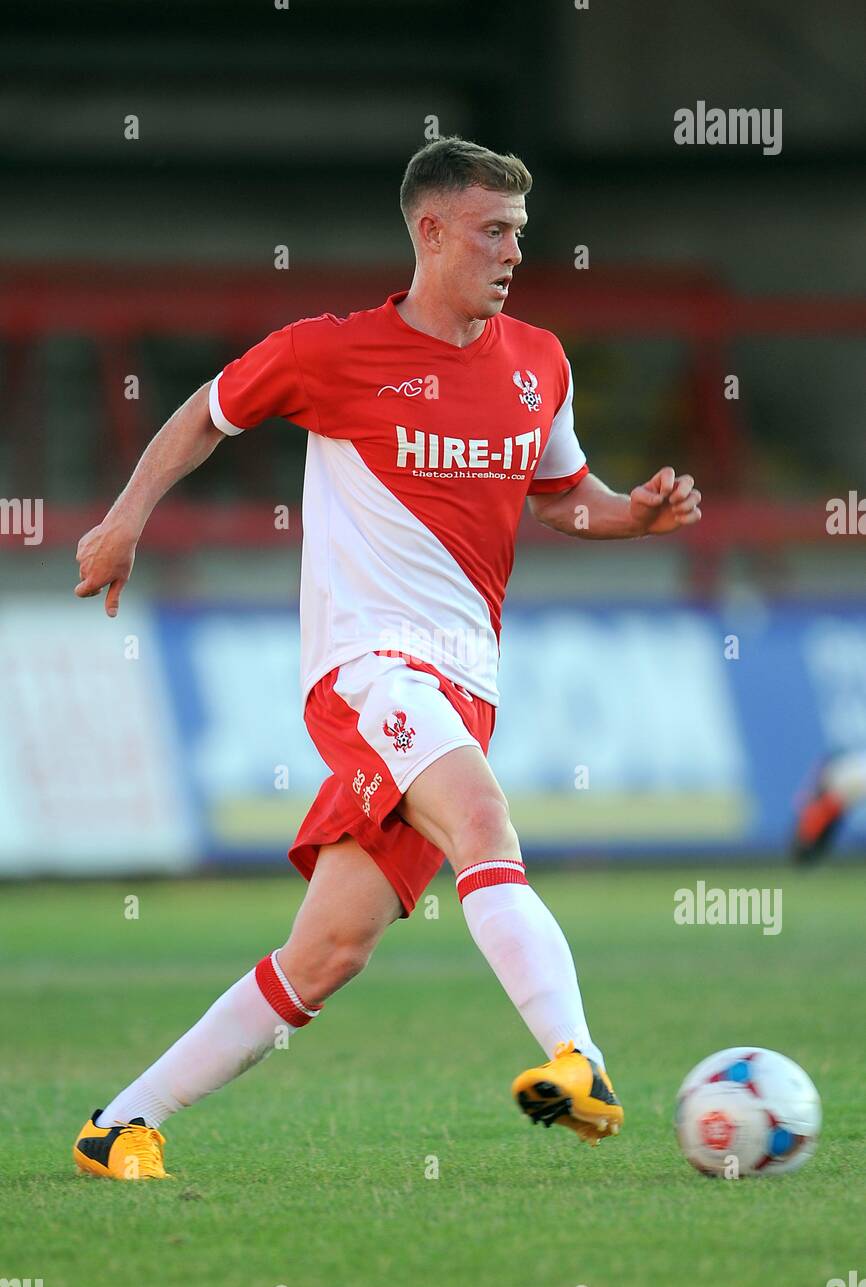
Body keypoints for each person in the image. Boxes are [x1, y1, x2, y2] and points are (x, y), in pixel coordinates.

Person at [71, 137, 701, 1179]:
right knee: (485, 820)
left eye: (518, 235)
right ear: (431, 231)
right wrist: (125, 519)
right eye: (493, 232)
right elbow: (203, 414)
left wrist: (630, 516)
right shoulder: (331, 353)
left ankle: (117, 1126)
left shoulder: (539, 361)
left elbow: (562, 498)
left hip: (466, 682)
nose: (512, 253)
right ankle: (578, 1060)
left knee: (328, 953)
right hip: (369, 670)